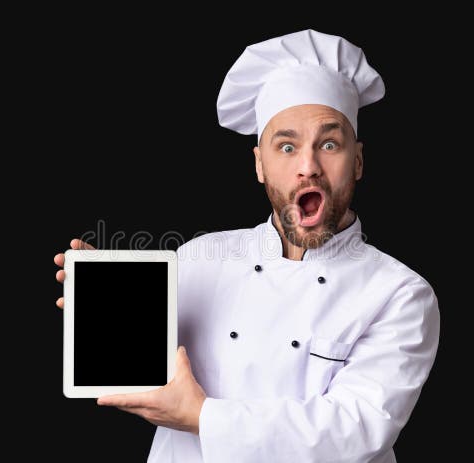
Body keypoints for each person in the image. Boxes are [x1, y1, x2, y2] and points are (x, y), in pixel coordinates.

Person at [53, 29, 440, 463]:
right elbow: (140, 373)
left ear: (359, 161)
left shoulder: (400, 294)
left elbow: (353, 430)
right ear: (259, 164)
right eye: (286, 146)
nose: (308, 167)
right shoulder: (197, 258)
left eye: (329, 144)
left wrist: (202, 416)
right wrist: (110, 313)